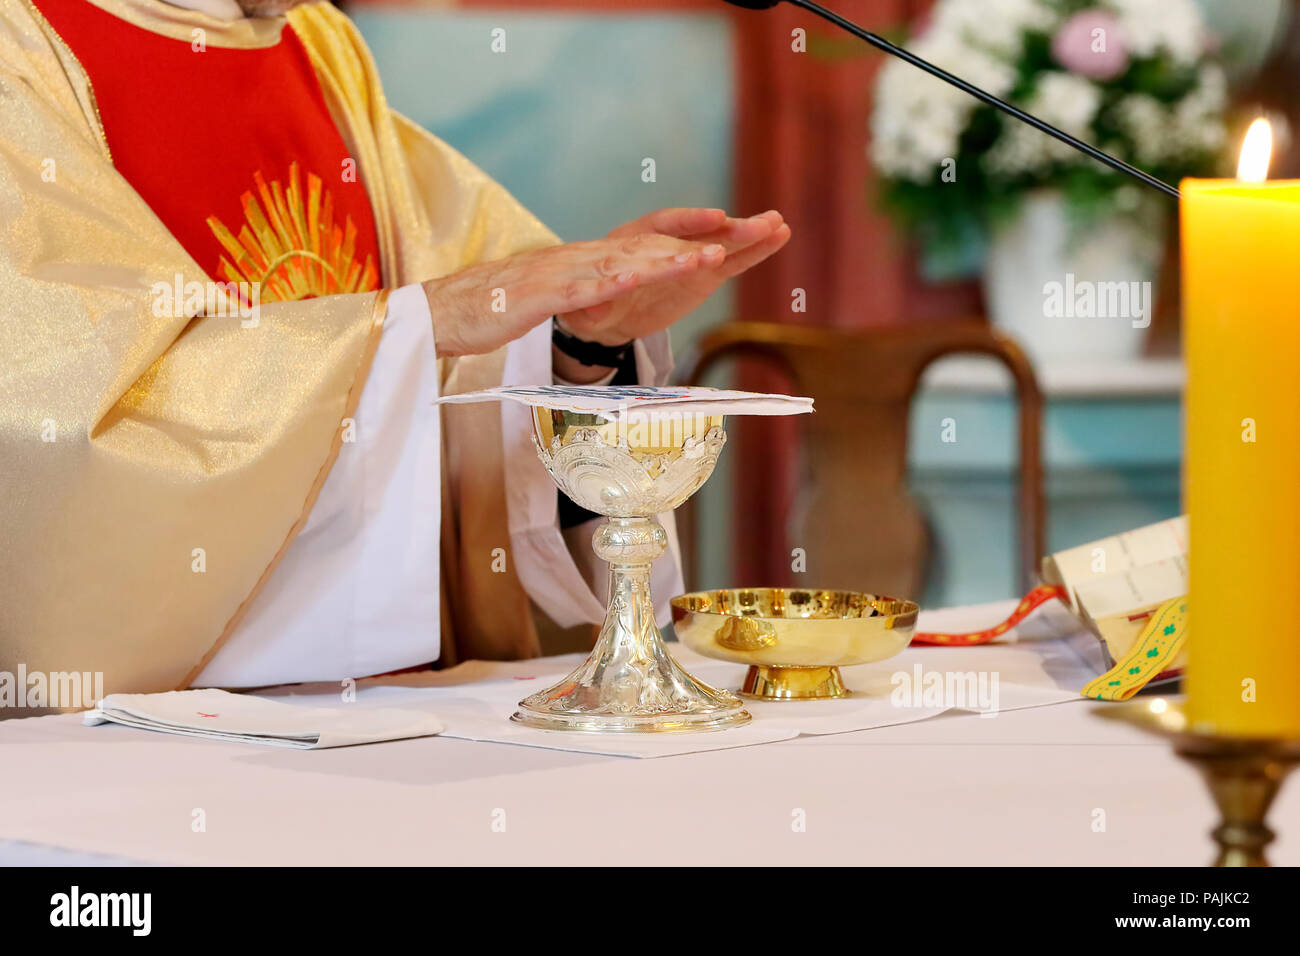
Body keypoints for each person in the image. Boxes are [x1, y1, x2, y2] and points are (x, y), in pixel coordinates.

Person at [0, 0, 790, 708]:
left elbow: (458, 327)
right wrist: (422, 322)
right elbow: (56, 404)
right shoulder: (22, 52)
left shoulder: (319, 43)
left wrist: (574, 337)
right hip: (147, 731)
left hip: (381, 717)